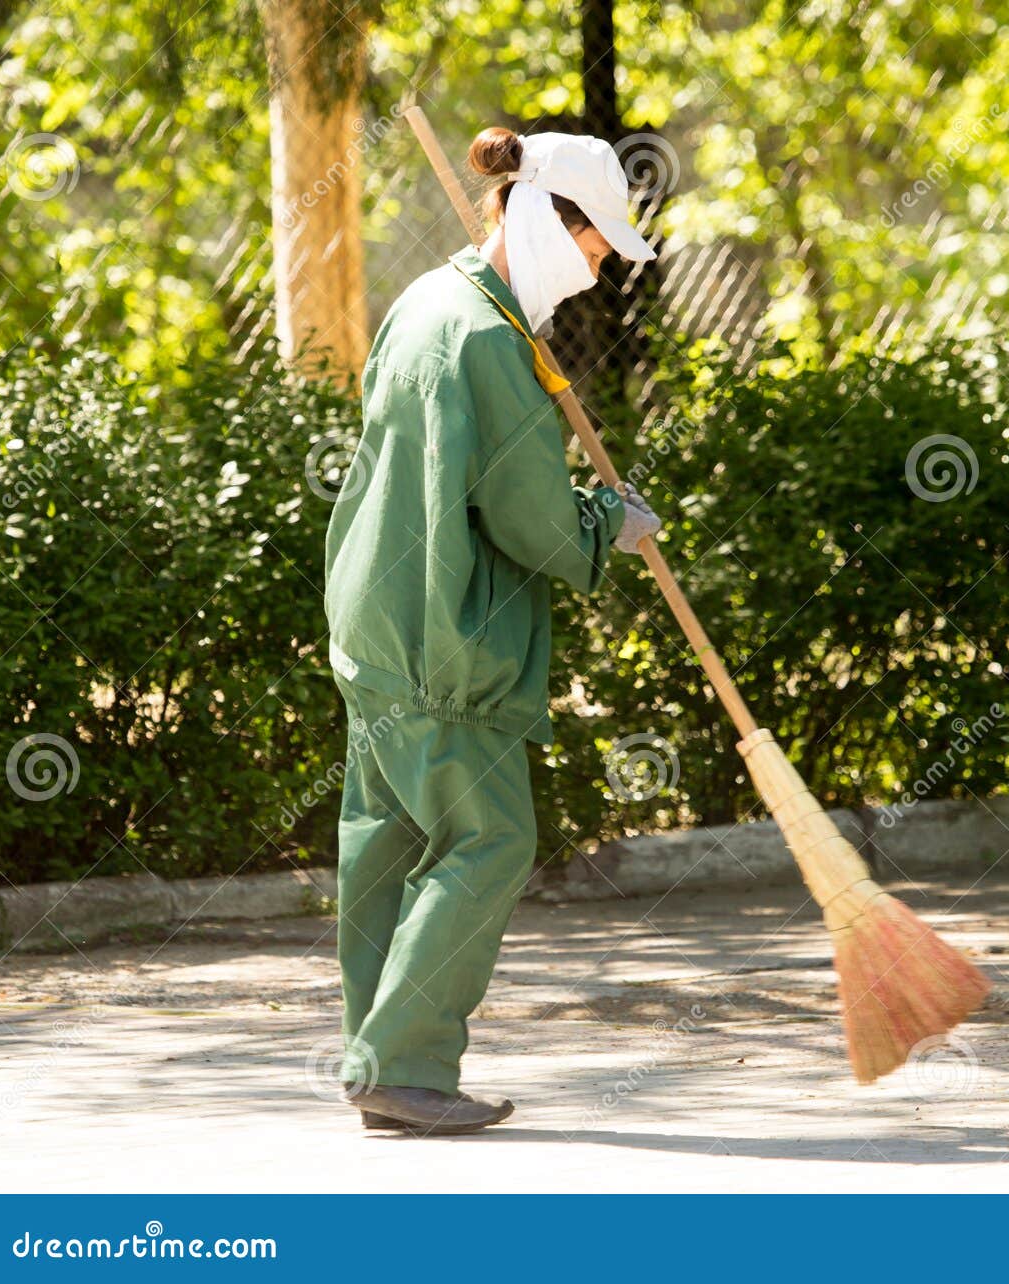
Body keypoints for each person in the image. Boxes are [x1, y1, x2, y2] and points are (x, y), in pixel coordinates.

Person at [322, 127, 663, 1136]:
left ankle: (380, 1064)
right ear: (556, 223)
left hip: (380, 625)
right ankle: (402, 1064)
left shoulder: (431, 303)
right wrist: (610, 524)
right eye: (600, 248)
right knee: (490, 838)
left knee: (385, 846)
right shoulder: (485, 337)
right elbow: (525, 514)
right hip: (448, 636)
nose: (601, 272)